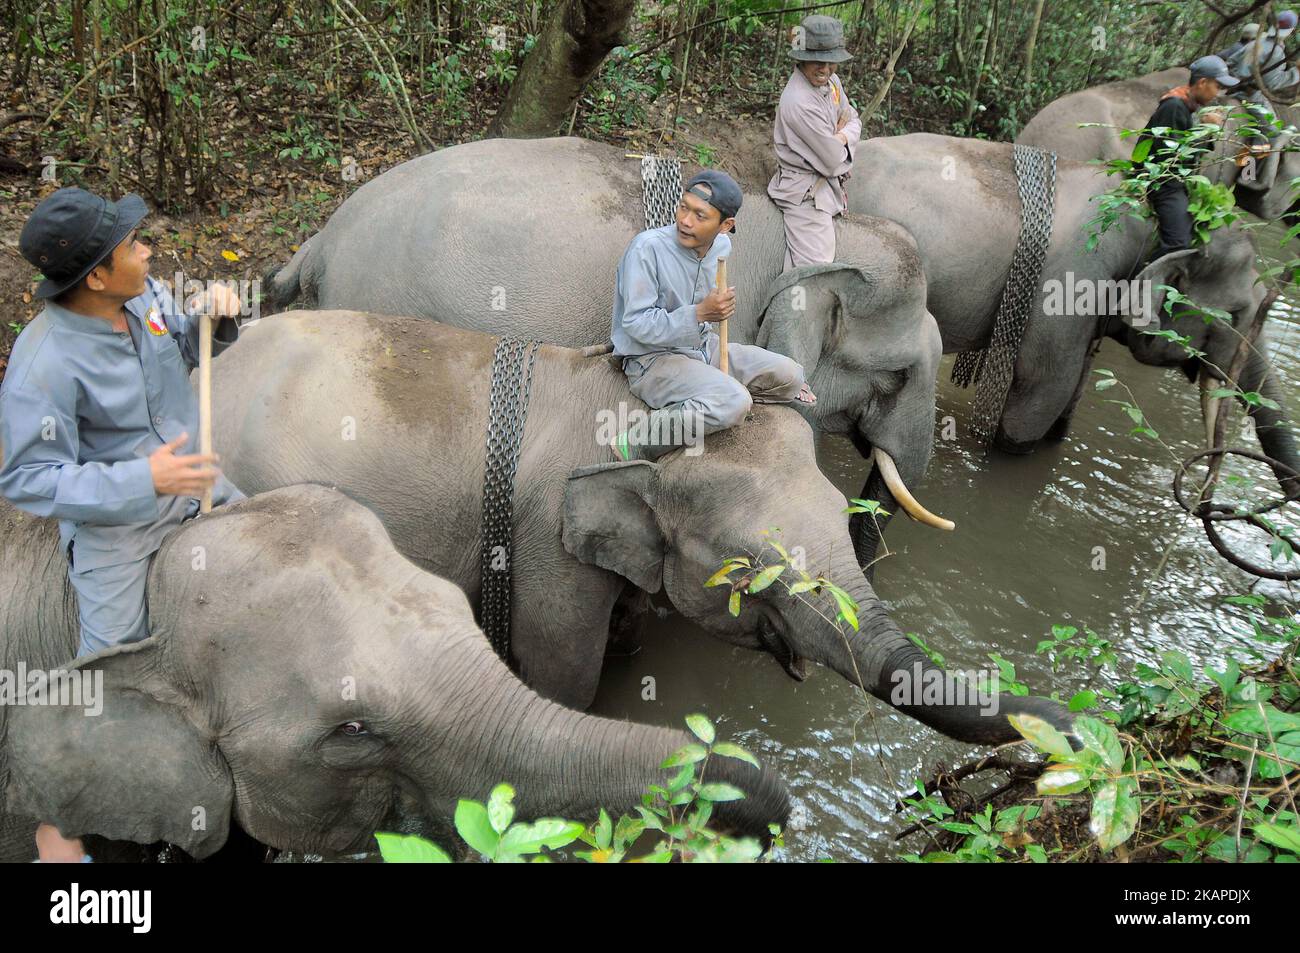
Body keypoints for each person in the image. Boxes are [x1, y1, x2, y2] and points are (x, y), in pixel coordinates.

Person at [0, 187, 245, 862]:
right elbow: (28, 479)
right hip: (119, 532)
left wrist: (213, 318)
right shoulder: (43, 364)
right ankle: (99, 838)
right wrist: (144, 479)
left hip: (203, 487)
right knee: (119, 688)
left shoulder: (142, 298)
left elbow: (189, 344)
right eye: (132, 246)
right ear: (97, 277)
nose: (147, 249)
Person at [609, 170, 815, 460]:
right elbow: (635, 324)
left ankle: (716, 395)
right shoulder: (646, 249)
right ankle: (638, 440)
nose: (685, 220)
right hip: (652, 359)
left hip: (704, 349)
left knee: (791, 376)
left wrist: (715, 308)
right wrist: (699, 314)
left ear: (725, 225)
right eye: (684, 207)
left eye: (700, 215)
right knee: (733, 402)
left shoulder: (722, 245)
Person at [767, 14, 861, 270]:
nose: (825, 68)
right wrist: (840, 139)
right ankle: (792, 307)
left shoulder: (832, 83)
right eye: (817, 60)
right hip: (805, 194)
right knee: (813, 271)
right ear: (801, 58)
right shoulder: (799, 101)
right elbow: (832, 160)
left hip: (826, 184)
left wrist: (840, 136)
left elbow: (853, 118)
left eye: (831, 62)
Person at [1136, 55, 1237, 258]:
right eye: (1217, 86)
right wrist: (1207, 131)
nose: (1218, 93)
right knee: (1179, 244)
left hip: (1174, 178)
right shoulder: (1174, 106)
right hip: (1161, 181)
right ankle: (1145, 286)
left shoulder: (1188, 106)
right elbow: (1172, 157)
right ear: (1202, 83)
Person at [1225, 10, 1299, 145]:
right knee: (1274, 133)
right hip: (1249, 95)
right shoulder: (1275, 51)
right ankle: (1254, 163)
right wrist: (1296, 72)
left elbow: (1230, 61)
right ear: (1291, 30)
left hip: (1229, 86)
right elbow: (1272, 83)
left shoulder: (1257, 40)